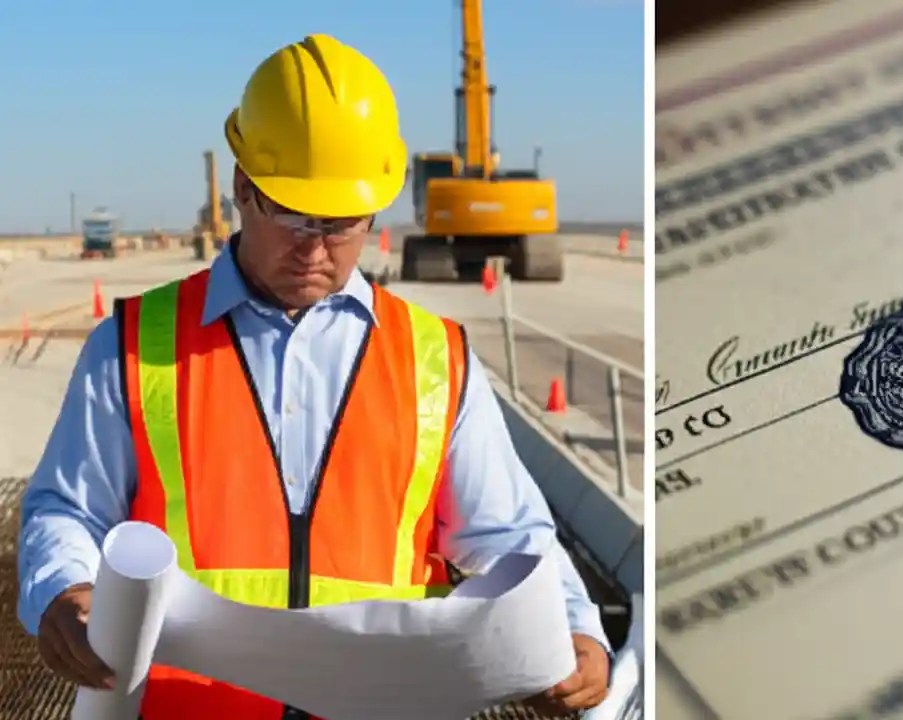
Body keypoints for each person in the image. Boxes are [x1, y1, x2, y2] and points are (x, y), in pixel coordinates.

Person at [16, 33, 611, 719]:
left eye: (341, 221)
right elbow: (68, 509)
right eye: (293, 213)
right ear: (243, 186)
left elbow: (510, 533)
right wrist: (64, 588)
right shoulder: (130, 346)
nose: (315, 244)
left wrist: (576, 627)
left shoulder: (434, 358)